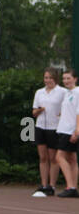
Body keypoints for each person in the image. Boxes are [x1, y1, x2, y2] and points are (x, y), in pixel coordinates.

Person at [31, 68, 64, 196]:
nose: (48, 80)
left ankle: (52, 185)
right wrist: (39, 110)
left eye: (50, 78)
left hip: (54, 127)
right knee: (43, 157)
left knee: (53, 158)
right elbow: (33, 112)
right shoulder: (39, 92)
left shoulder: (62, 92)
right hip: (40, 127)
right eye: (46, 78)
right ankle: (44, 184)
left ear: (55, 79)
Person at [55, 69, 79, 198]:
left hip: (70, 130)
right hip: (64, 128)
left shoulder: (77, 92)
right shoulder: (67, 93)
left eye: (69, 78)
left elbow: (78, 113)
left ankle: (70, 186)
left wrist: (77, 130)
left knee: (59, 157)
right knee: (72, 159)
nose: (66, 81)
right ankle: (73, 187)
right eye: (64, 79)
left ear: (75, 79)